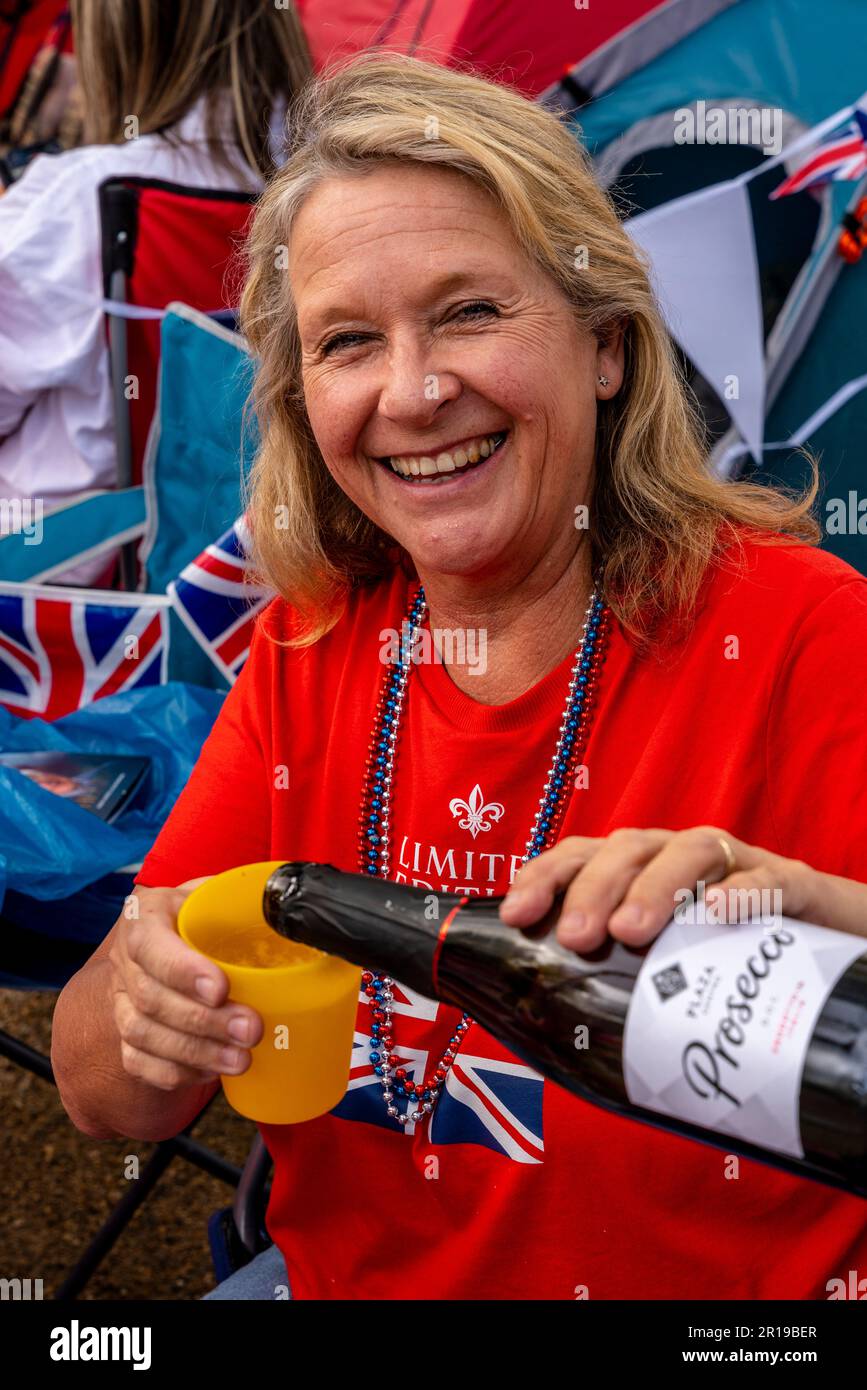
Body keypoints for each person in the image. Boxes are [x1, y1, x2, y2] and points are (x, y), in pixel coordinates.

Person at [52, 53, 867, 1302]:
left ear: (605, 346)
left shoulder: (801, 629)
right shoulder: (312, 648)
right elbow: (101, 1093)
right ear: (302, 399)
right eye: (347, 342)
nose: (416, 390)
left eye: (473, 313)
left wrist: (816, 910)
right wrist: (146, 1012)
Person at [0, 0, 311, 576]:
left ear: (117, 39)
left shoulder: (76, 200)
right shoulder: (321, 193)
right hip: (248, 593)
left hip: (54, 606)